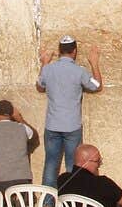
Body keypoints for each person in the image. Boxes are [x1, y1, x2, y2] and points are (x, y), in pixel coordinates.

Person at [37, 35, 102, 195]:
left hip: (52, 124)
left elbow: (39, 86)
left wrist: (44, 62)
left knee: (51, 163)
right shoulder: (79, 71)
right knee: (73, 164)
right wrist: (94, 63)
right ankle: (71, 198)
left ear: (59, 51)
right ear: (74, 51)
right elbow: (96, 86)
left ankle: (47, 201)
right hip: (72, 125)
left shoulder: (49, 69)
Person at [0, 99, 40, 191]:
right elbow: (34, 135)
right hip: (22, 180)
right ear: (12, 114)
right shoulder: (23, 128)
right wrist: (19, 118)